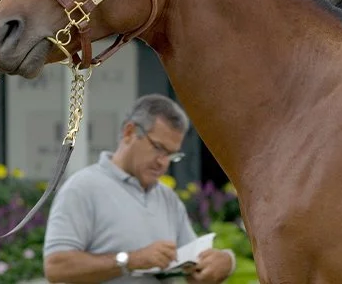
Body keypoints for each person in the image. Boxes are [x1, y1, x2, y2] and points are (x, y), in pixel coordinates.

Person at [43, 94, 235, 284]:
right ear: (129, 132)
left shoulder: (167, 198)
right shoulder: (82, 188)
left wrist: (224, 262)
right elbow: (56, 267)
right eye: (158, 148)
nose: (164, 163)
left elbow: (195, 268)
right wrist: (131, 260)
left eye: (171, 155)